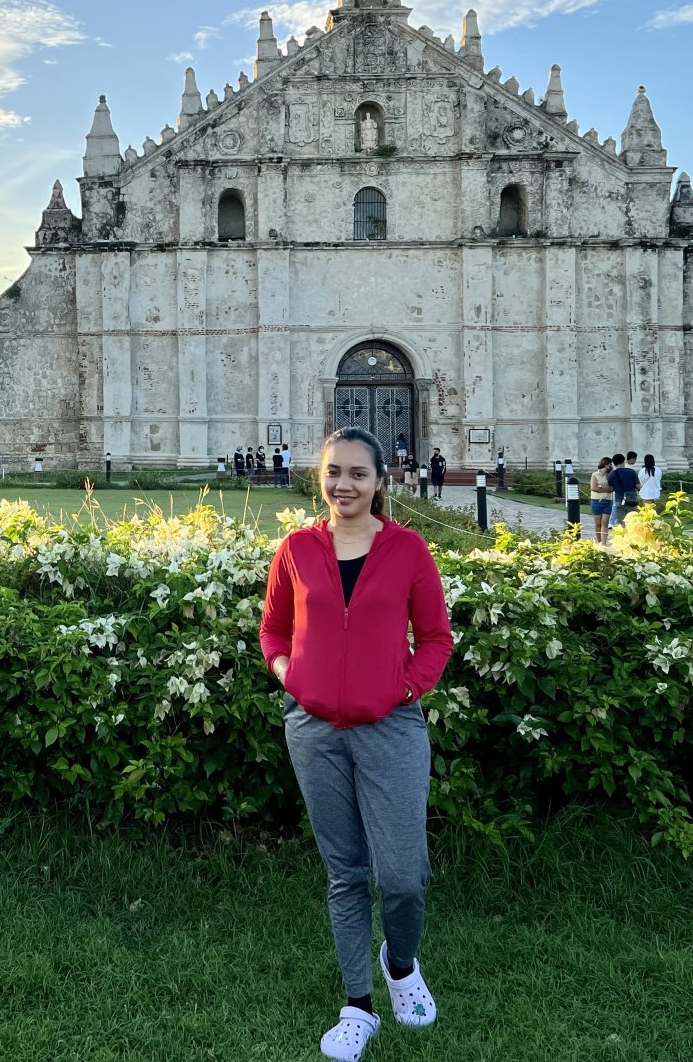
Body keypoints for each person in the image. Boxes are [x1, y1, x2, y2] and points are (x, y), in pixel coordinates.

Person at [261, 427, 453, 1061]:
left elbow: (436, 637)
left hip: (390, 728)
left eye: (358, 474)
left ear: (379, 482)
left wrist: (404, 688)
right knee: (345, 873)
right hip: (314, 730)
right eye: (333, 472)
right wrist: (289, 674)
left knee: (404, 876)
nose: (343, 485)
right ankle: (358, 1005)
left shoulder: (407, 550)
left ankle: (400, 964)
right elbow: (273, 629)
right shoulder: (296, 549)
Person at [606, 452, 640, 530]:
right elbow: (638, 486)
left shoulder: (611, 474)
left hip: (619, 500)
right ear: (623, 461)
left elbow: (610, 489)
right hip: (631, 500)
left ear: (613, 463)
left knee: (621, 522)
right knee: (634, 520)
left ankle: (623, 535)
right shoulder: (631, 472)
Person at [588, 456, 614, 545]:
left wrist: (600, 487)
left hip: (607, 500)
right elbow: (593, 488)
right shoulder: (595, 474)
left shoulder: (610, 475)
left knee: (605, 523)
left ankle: (603, 543)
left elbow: (612, 488)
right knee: (598, 523)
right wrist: (605, 488)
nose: (611, 466)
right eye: (610, 464)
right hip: (596, 501)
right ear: (606, 465)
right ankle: (599, 541)